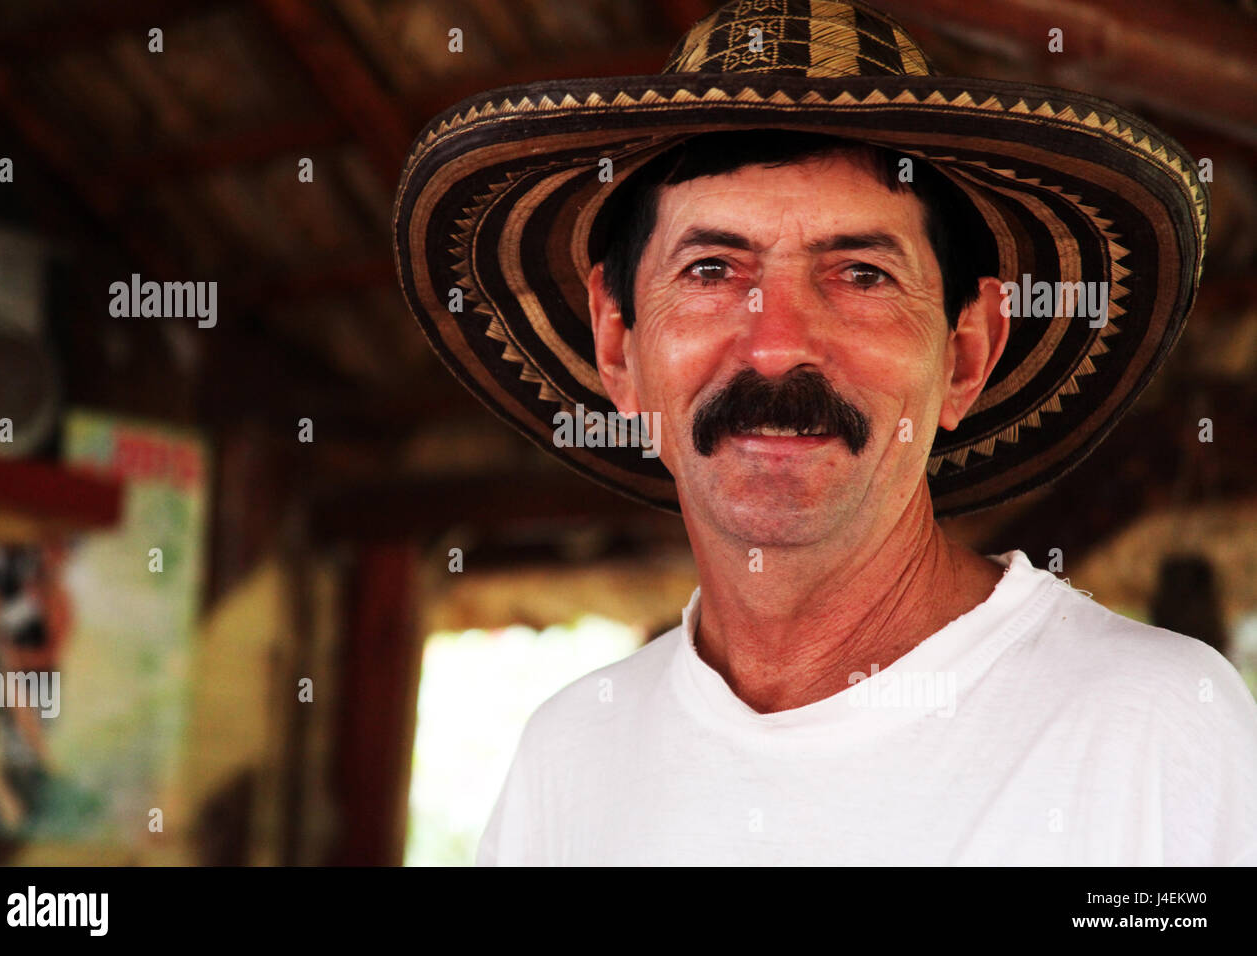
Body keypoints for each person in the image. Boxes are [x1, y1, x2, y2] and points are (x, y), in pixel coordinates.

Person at [393, 0, 1255, 864]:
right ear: (617, 346)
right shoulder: (569, 757)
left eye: (860, 274)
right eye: (712, 269)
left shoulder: (1158, 729)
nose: (776, 348)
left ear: (965, 355)